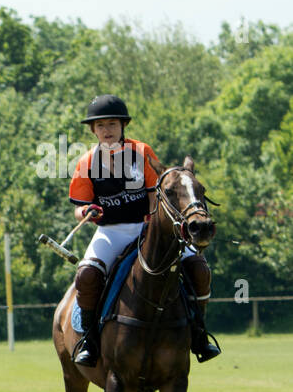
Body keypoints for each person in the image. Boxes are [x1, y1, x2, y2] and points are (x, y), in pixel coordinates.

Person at [68, 94, 220, 367]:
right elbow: (79, 207)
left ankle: (199, 334)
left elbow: (156, 193)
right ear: (93, 130)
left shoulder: (142, 153)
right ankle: (89, 342)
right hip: (110, 231)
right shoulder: (86, 162)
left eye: (112, 124)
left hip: (147, 228)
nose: (107, 130)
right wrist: (87, 212)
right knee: (88, 274)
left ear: (122, 125)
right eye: (100, 126)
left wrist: (152, 222)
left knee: (198, 268)